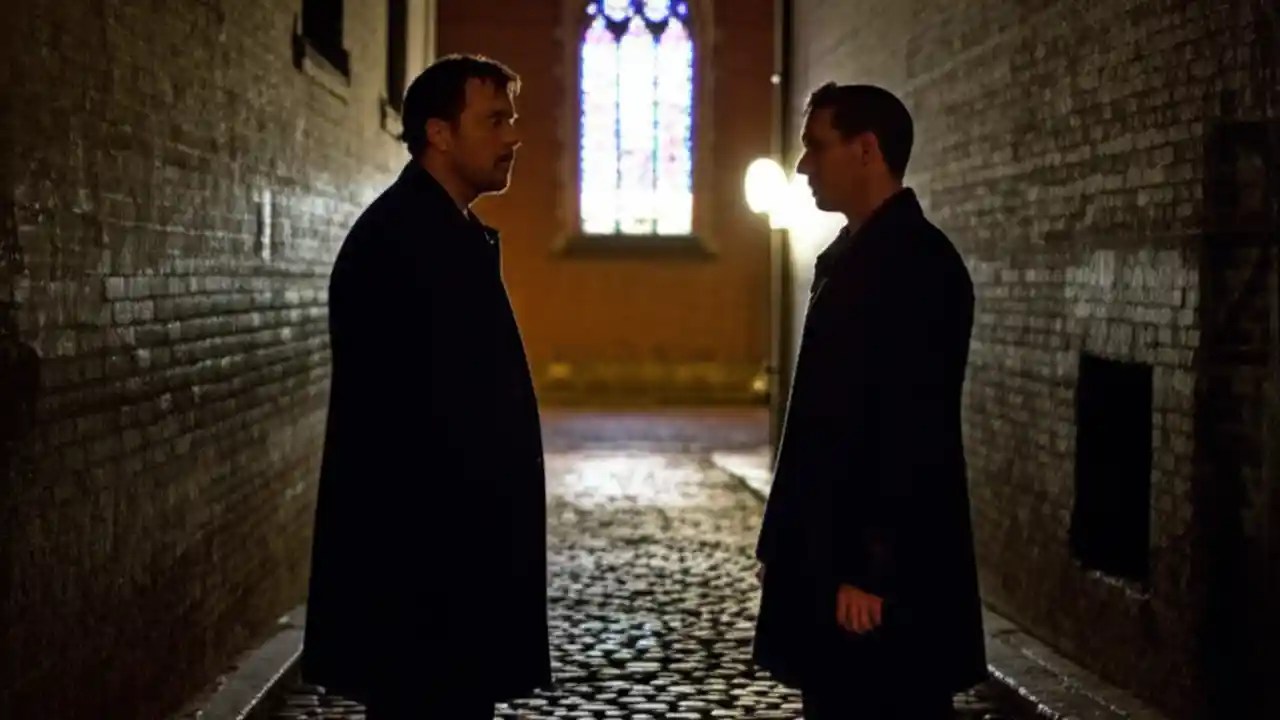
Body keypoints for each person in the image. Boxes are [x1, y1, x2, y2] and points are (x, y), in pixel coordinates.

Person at [300, 54, 550, 719]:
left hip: (449, 586)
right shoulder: (403, 241)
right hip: (427, 593)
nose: (513, 137)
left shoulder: (444, 231)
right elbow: (402, 437)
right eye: (495, 120)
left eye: (513, 119)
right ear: (439, 134)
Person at [752, 83, 987, 719]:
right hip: (830, 554)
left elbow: (914, 426)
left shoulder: (918, 265)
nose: (803, 167)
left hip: (877, 575)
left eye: (815, 148)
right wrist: (784, 544)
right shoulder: (857, 255)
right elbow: (815, 418)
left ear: (866, 150)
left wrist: (872, 567)